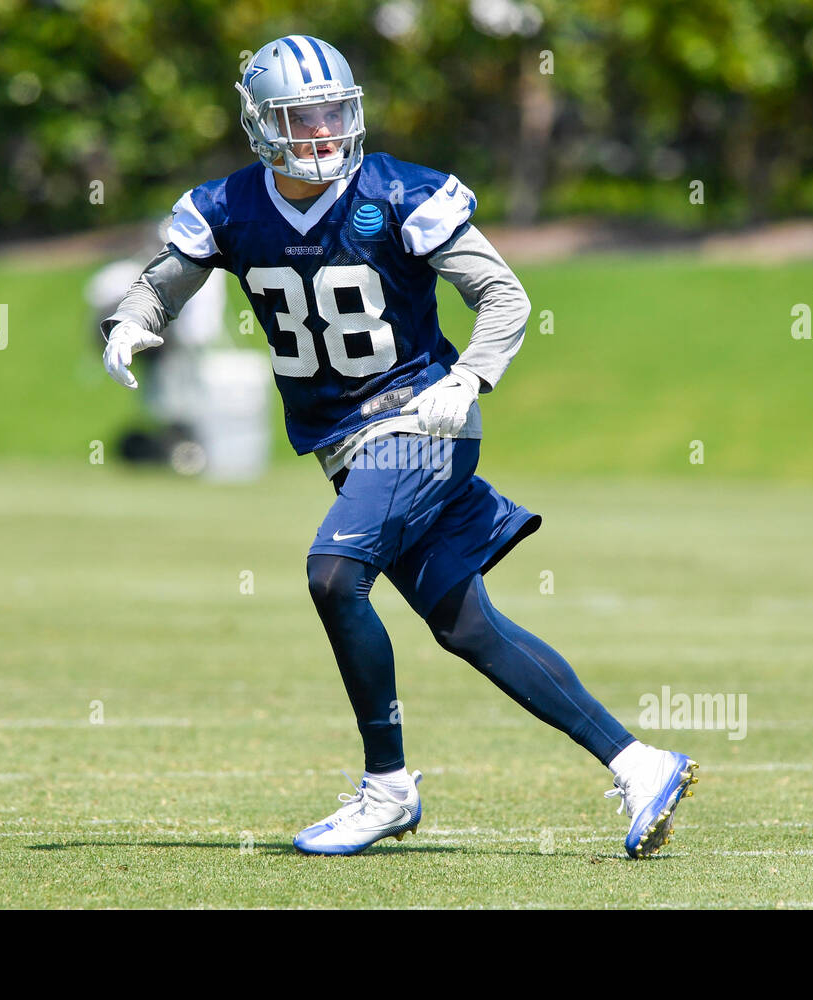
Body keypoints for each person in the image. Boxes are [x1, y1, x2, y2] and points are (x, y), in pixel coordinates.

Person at [100, 35, 698, 858]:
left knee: (335, 573)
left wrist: (469, 380)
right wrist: (135, 319)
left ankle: (387, 788)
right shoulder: (231, 206)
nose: (321, 133)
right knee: (466, 626)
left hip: (424, 422)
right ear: (260, 125)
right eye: (300, 118)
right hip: (345, 444)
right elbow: (167, 275)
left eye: (332, 113)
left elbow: (502, 295)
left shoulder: (397, 192)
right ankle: (642, 762)